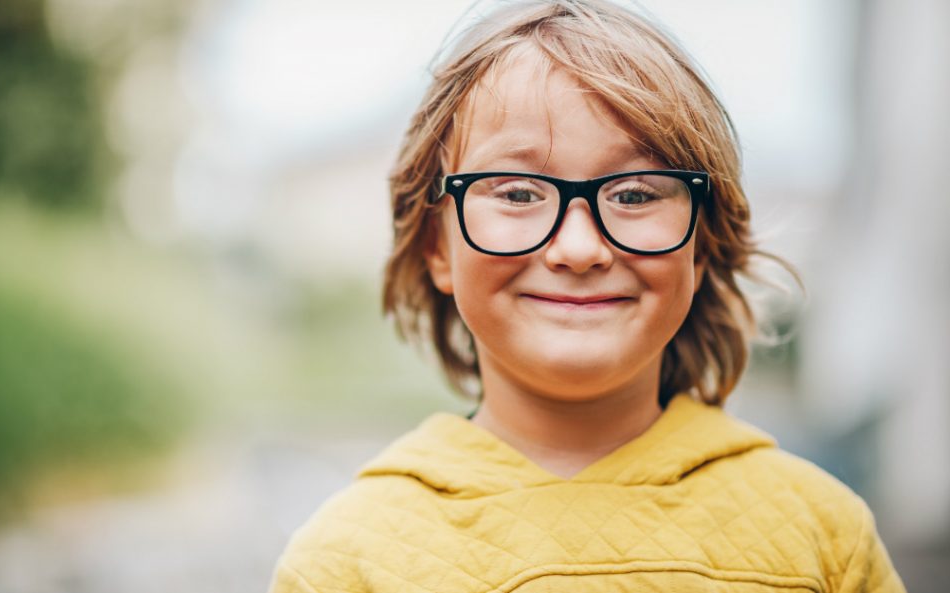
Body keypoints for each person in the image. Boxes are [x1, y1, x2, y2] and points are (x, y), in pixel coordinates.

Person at [268, 1, 905, 591]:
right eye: (516, 193)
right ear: (438, 245)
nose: (579, 248)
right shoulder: (344, 560)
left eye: (634, 194)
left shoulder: (824, 537)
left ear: (703, 243)